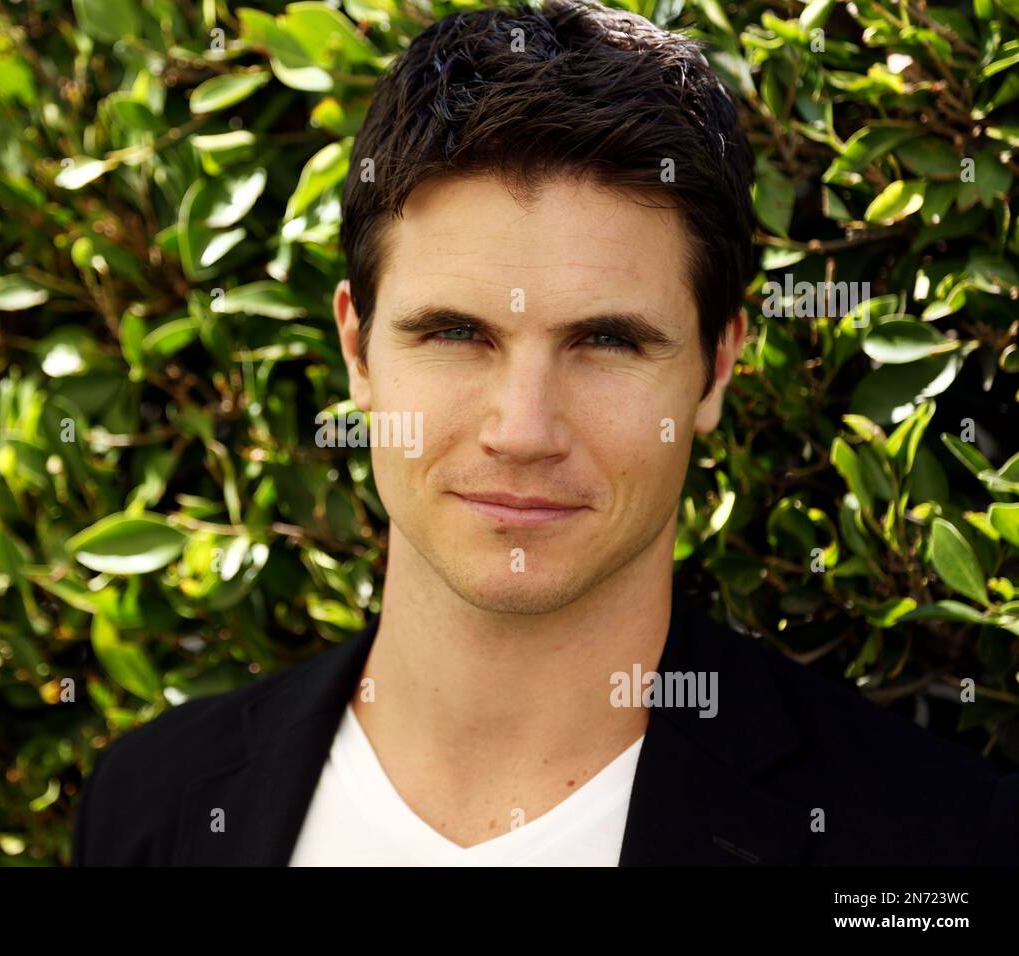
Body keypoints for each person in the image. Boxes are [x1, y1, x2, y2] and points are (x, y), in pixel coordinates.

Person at [71, 0, 1019, 866]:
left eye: (606, 341)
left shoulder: (933, 847)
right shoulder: (152, 805)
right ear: (358, 352)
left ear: (717, 367)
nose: (522, 431)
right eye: (455, 333)